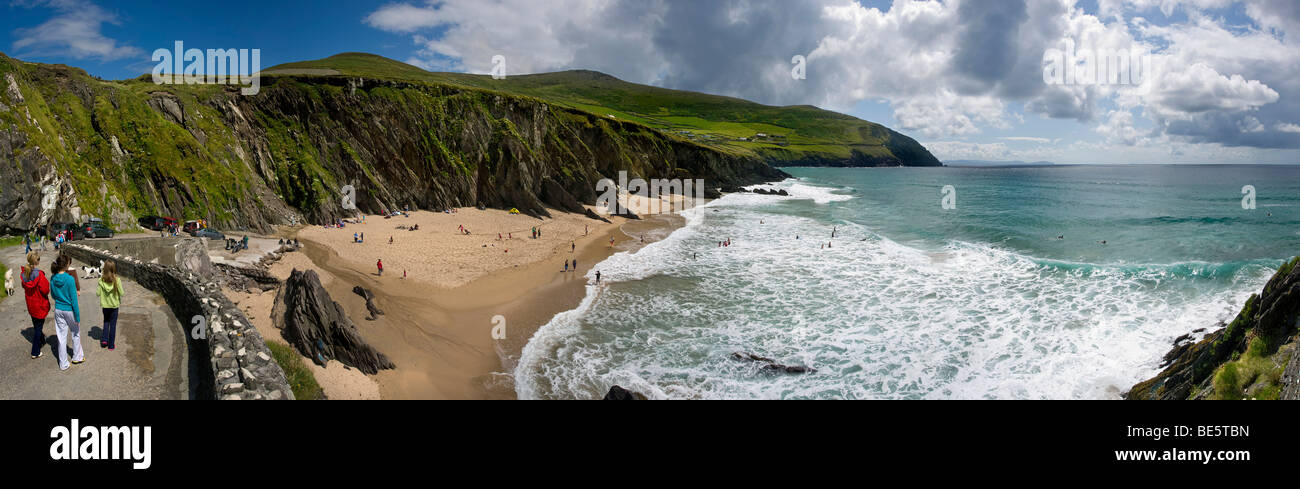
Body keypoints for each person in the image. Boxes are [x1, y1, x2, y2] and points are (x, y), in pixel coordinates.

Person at [49, 254, 83, 370]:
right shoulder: (70, 279)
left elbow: (53, 295)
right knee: (75, 333)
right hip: (69, 310)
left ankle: (63, 363)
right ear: (67, 265)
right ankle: (76, 357)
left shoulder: (53, 278)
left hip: (58, 309)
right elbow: (74, 300)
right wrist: (77, 317)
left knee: (61, 337)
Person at [21, 252, 50, 359]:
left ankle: (42, 340)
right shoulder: (39, 274)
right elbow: (46, 290)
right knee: (38, 328)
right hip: (39, 304)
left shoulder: (24, 273)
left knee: (36, 324)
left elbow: (24, 286)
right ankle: (35, 351)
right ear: (37, 261)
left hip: (31, 304)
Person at [95, 261, 123, 350]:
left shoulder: (101, 280)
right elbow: (122, 293)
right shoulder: (117, 280)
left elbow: (98, 293)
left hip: (105, 306)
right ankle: (111, 345)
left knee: (106, 322)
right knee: (113, 325)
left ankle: (104, 340)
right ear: (114, 269)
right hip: (114, 306)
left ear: (105, 269)